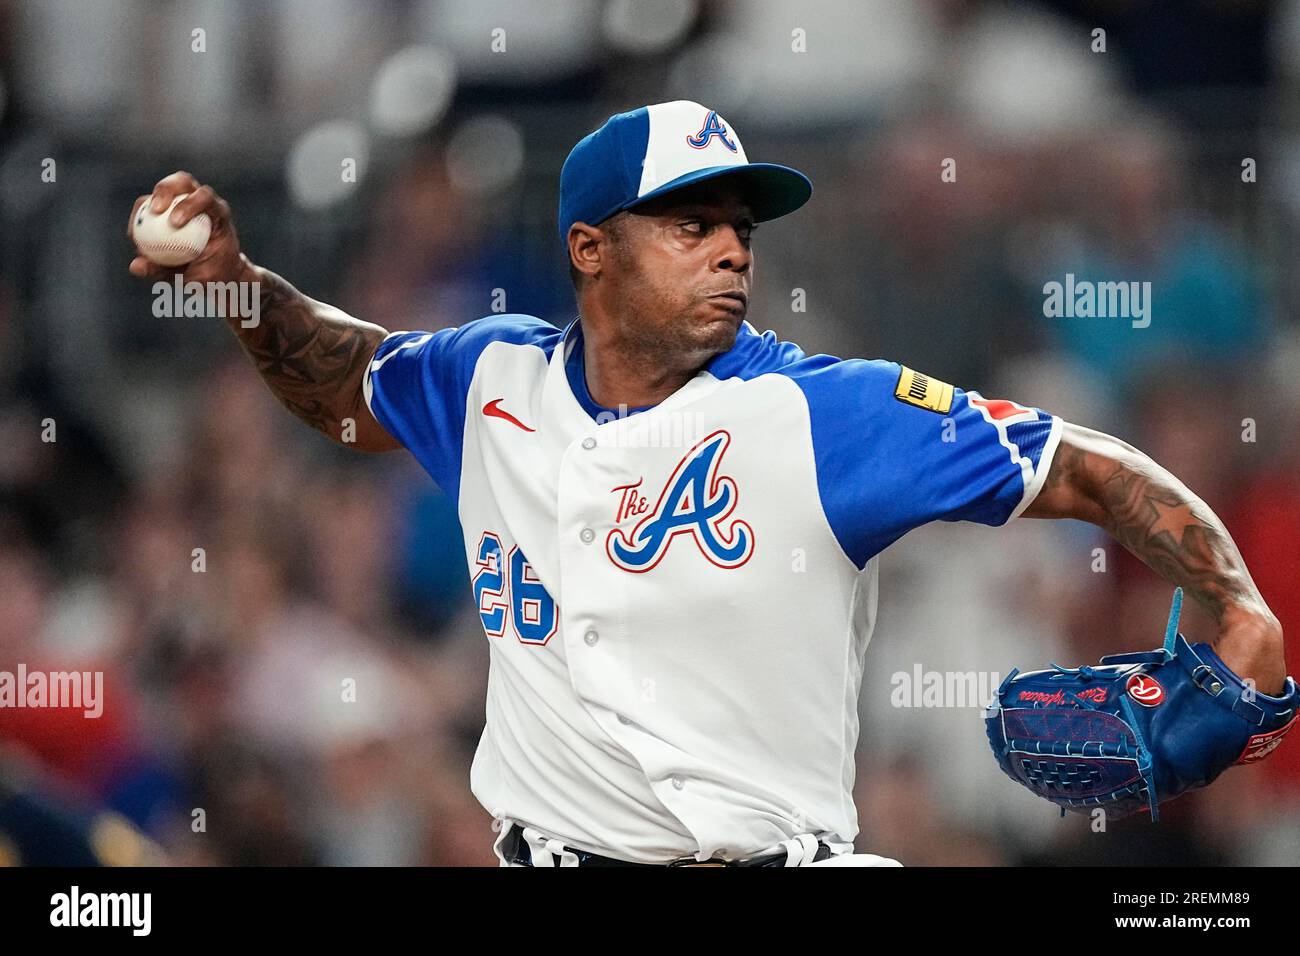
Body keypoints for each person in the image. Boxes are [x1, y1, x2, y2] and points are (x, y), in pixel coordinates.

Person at [127, 101, 1287, 867]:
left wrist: (1233, 602)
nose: (733, 248)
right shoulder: (488, 377)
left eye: (741, 227)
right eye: (691, 223)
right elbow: (341, 373)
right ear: (590, 246)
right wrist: (235, 283)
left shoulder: (822, 409)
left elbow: (1079, 464)